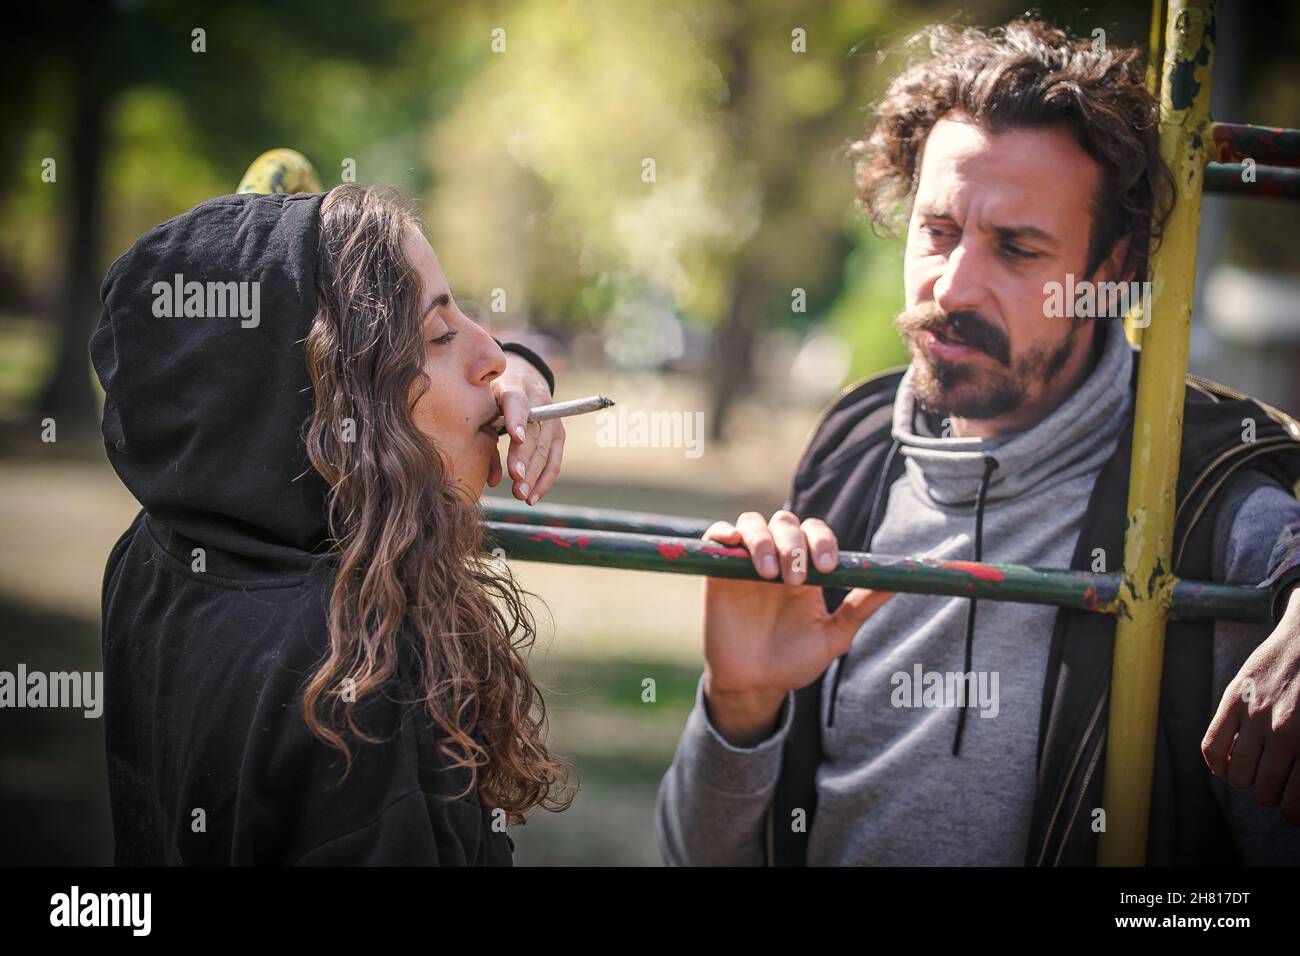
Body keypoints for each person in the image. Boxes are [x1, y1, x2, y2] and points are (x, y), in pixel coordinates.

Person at [655, 18, 1300, 866]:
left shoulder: (1214, 501)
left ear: (1109, 270)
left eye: (1017, 248)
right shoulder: (853, 450)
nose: (953, 285)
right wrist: (740, 707)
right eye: (938, 230)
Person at [92, 183, 571, 864]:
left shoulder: (154, 552)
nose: (495, 355)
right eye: (438, 335)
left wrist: (522, 370)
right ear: (331, 411)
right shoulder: (353, 677)